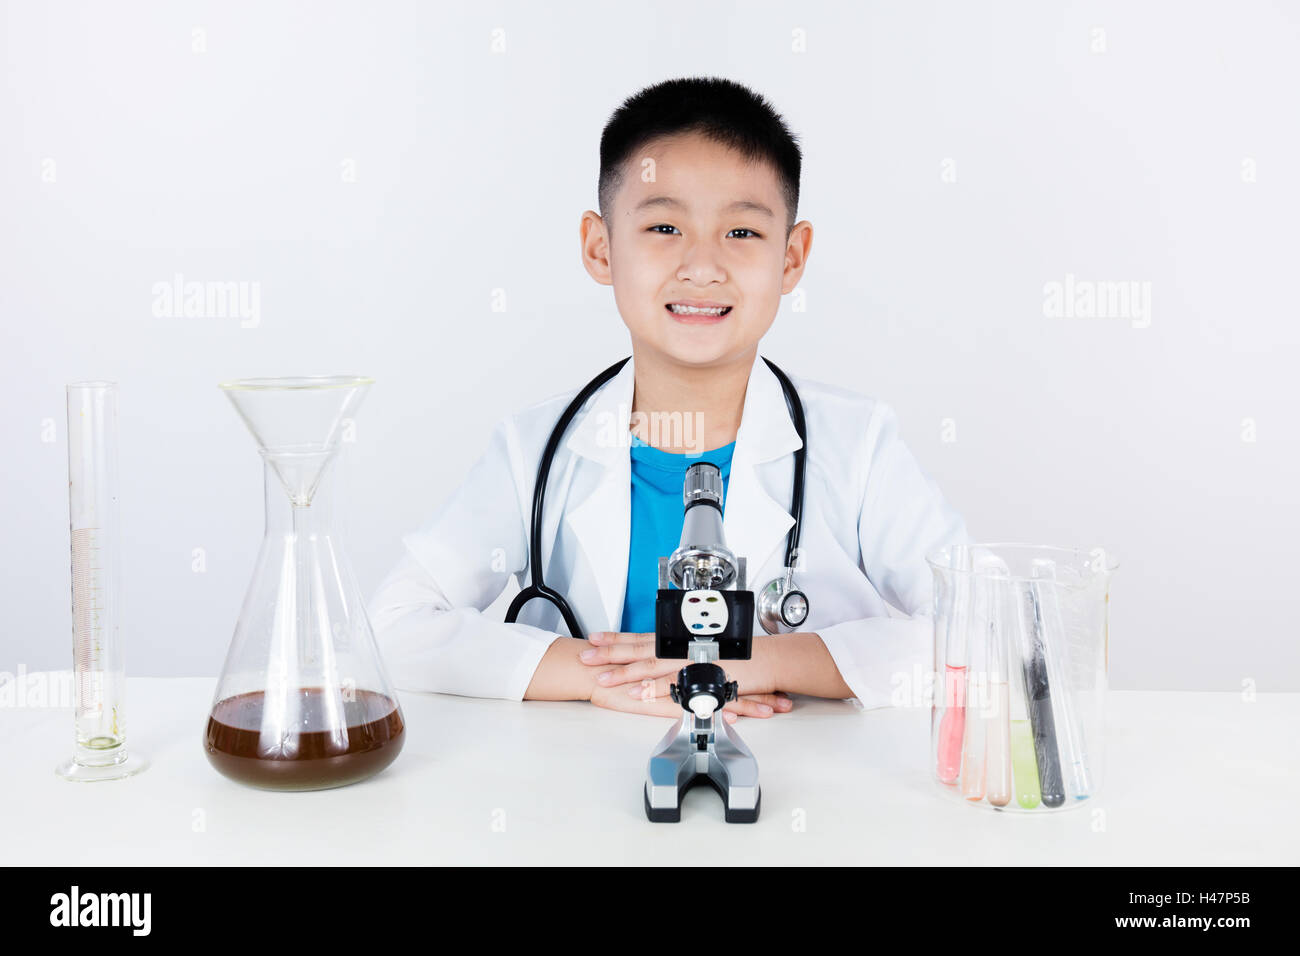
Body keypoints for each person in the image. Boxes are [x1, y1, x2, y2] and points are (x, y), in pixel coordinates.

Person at [368, 76, 969, 723]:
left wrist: (763, 659)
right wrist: (590, 674)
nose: (703, 265)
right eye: (664, 226)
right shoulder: (533, 448)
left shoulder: (859, 446)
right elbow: (392, 624)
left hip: (810, 795)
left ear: (792, 258)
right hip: (580, 797)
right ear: (601, 247)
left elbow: (987, 631)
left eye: (741, 233)